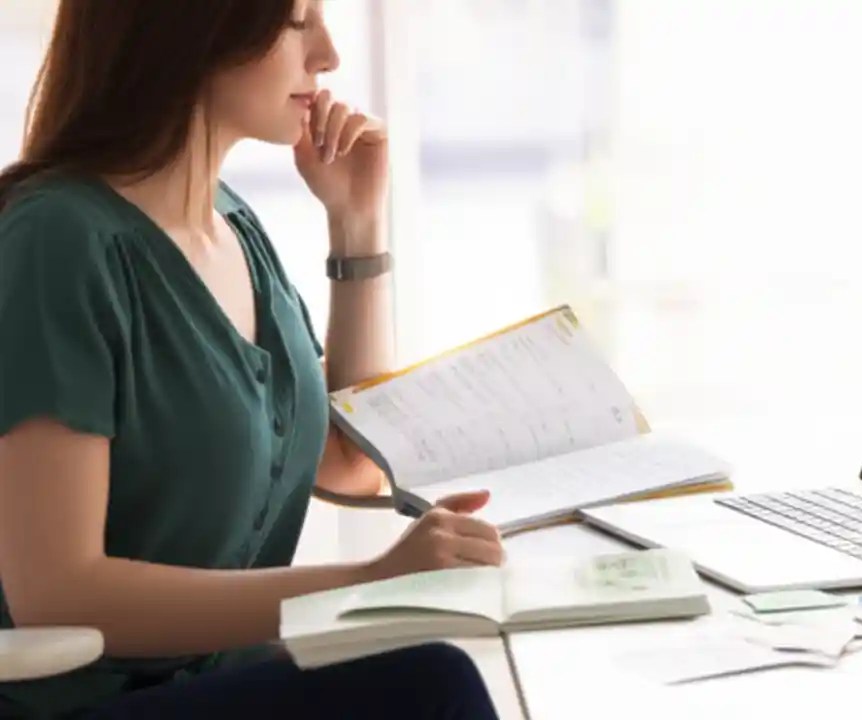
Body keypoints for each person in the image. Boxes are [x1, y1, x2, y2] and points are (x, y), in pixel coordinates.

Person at [0, 1, 506, 717]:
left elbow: (352, 461)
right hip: (85, 707)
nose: (327, 54)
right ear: (190, 27)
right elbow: (58, 592)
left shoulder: (233, 224)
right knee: (431, 683)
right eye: (298, 18)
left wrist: (357, 226)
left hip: (220, 686)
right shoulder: (58, 240)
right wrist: (370, 579)